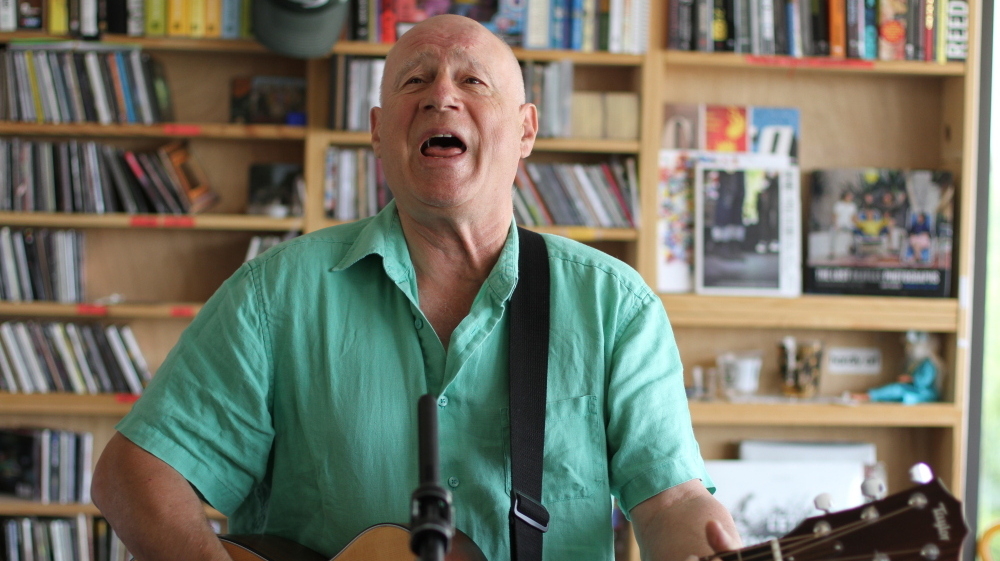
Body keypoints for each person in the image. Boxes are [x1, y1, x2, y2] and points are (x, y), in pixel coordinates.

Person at [91, 14, 739, 561]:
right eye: (415, 80)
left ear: (525, 131)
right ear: (378, 130)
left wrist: (705, 538)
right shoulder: (274, 295)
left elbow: (672, 499)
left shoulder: (615, 307)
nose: (441, 96)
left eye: (472, 80)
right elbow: (133, 474)